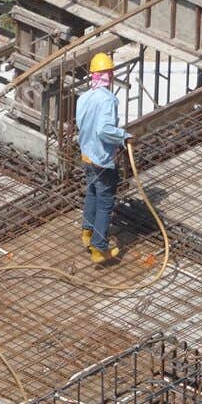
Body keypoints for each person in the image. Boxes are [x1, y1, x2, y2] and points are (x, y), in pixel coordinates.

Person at [76, 51, 130, 265]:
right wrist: (124, 136)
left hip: (86, 155)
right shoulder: (108, 100)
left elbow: (83, 125)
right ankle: (99, 248)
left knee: (92, 194)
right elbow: (105, 129)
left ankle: (87, 234)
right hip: (101, 159)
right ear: (109, 74)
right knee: (105, 203)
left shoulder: (84, 97)